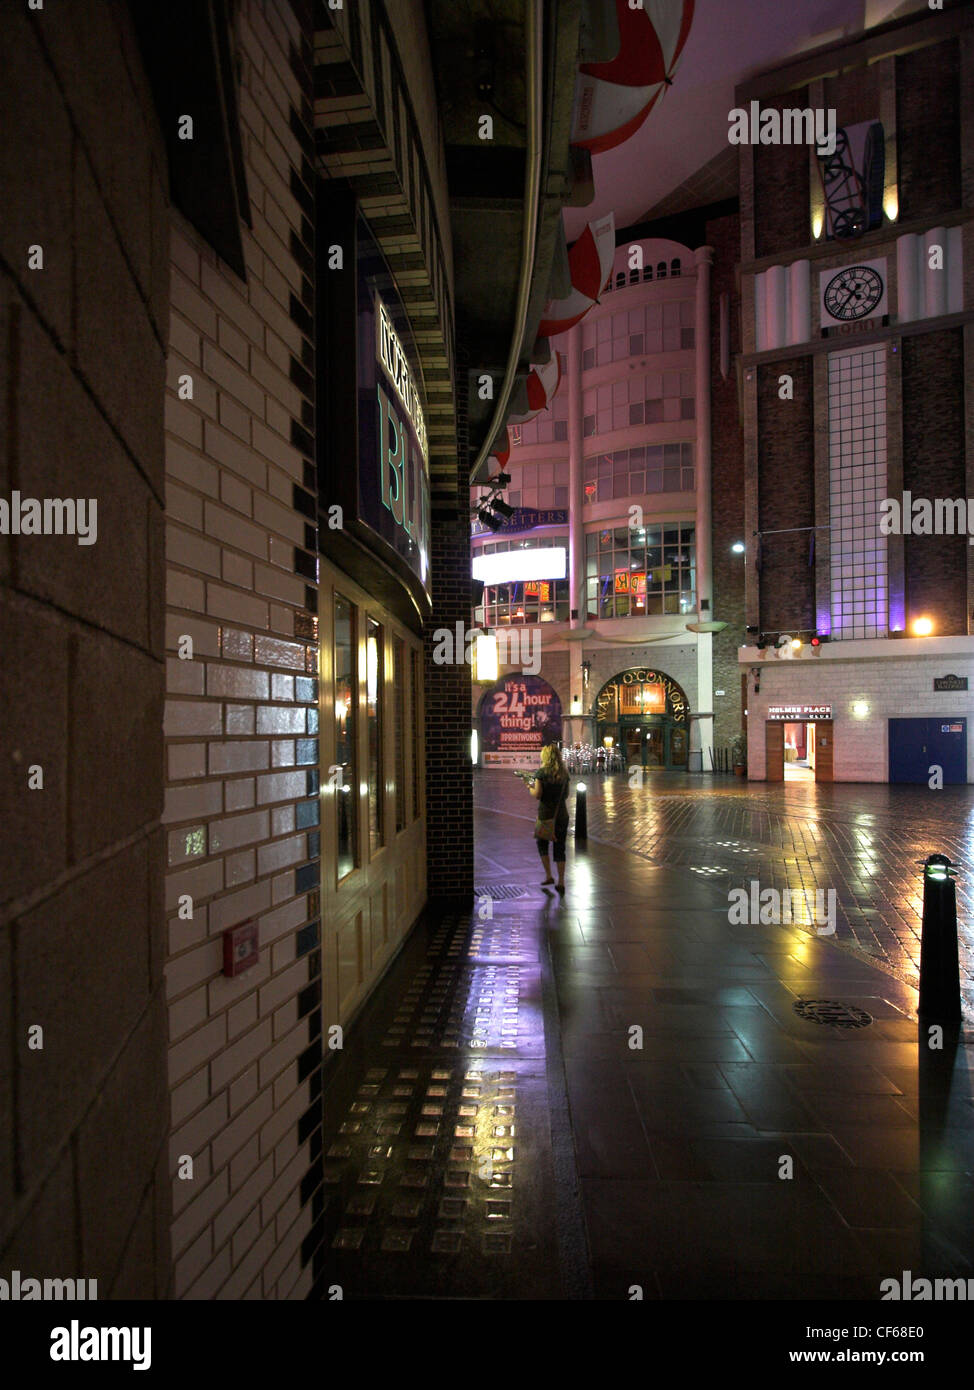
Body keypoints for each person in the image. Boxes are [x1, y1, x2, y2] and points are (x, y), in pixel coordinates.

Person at [525, 743, 570, 894]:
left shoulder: (541, 773)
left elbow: (537, 794)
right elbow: (566, 795)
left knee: (542, 844)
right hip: (562, 815)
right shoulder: (564, 774)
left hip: (545, 815)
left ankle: (549, 875)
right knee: (560, 847)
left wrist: (529, 787)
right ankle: (561, 881)